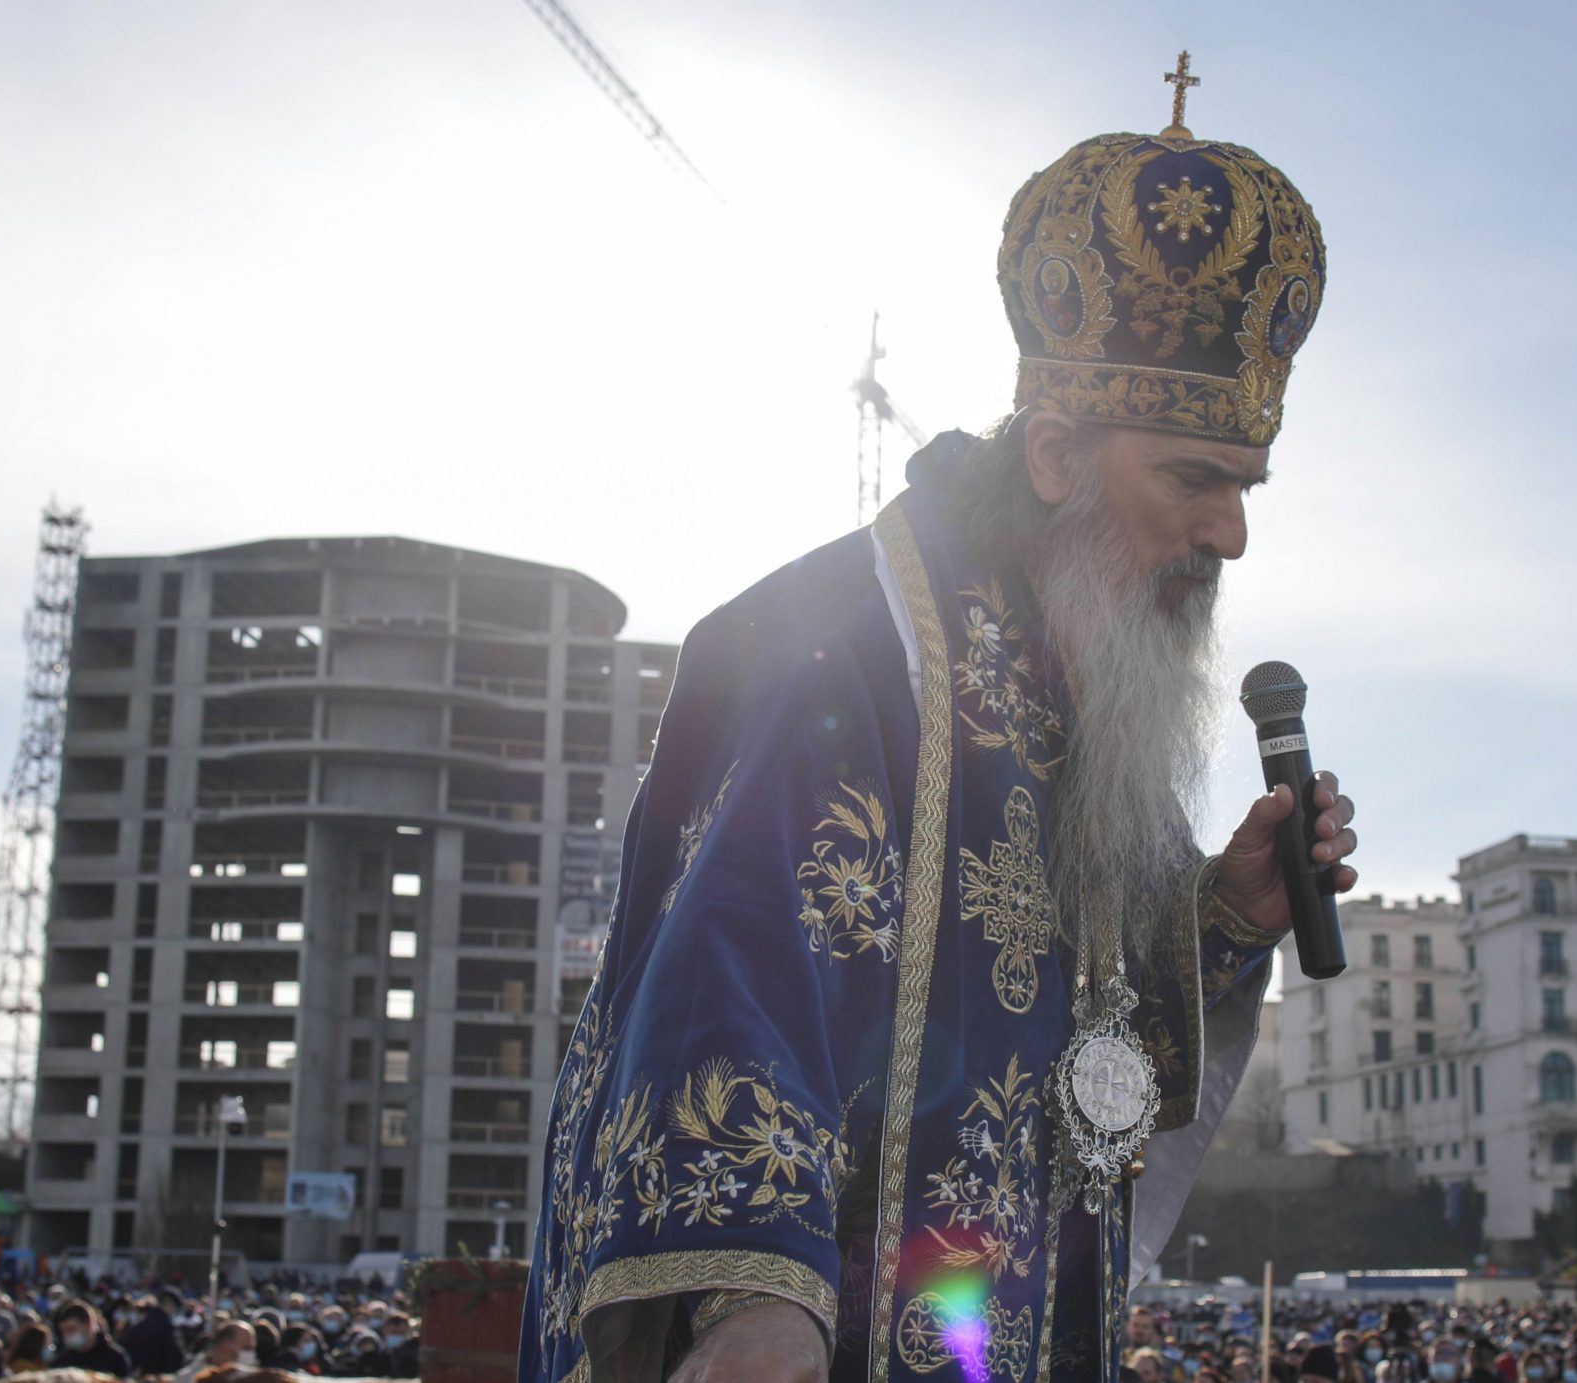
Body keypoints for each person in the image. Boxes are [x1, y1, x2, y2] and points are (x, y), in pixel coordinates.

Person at [520, 53, 1343, 1383]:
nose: (1231, 531)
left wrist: (1226, 919)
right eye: (1196, 477)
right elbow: (728, 956)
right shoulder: (849, 641)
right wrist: (749, 1296)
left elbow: (1085, 1068)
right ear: (1059, 455)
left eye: (1249, 485)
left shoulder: (1085, 704)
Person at [47, 1300, 134, 1378]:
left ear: (88, 1325)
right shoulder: (62, 1363)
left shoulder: (115, 1358)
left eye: (71, 1329)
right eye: (63, 1331)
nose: (67, 1335)